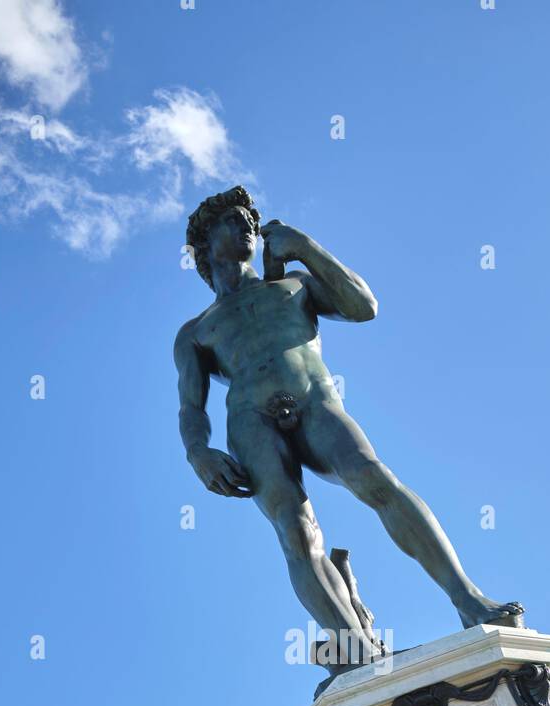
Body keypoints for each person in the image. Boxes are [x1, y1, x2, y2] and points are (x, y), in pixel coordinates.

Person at [175, 186, 523, 676]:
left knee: (374, 479)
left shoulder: (293, 285)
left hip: (316, 400)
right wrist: (197, 452)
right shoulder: (196, 330)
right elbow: (190, 405)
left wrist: (307, 248)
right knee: (295, 530)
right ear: (206, 242)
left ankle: (469, 600)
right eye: (235, 220)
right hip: (249, 419)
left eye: (252, 220)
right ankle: (353, 650)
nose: (249, 226)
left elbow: (363, 306)